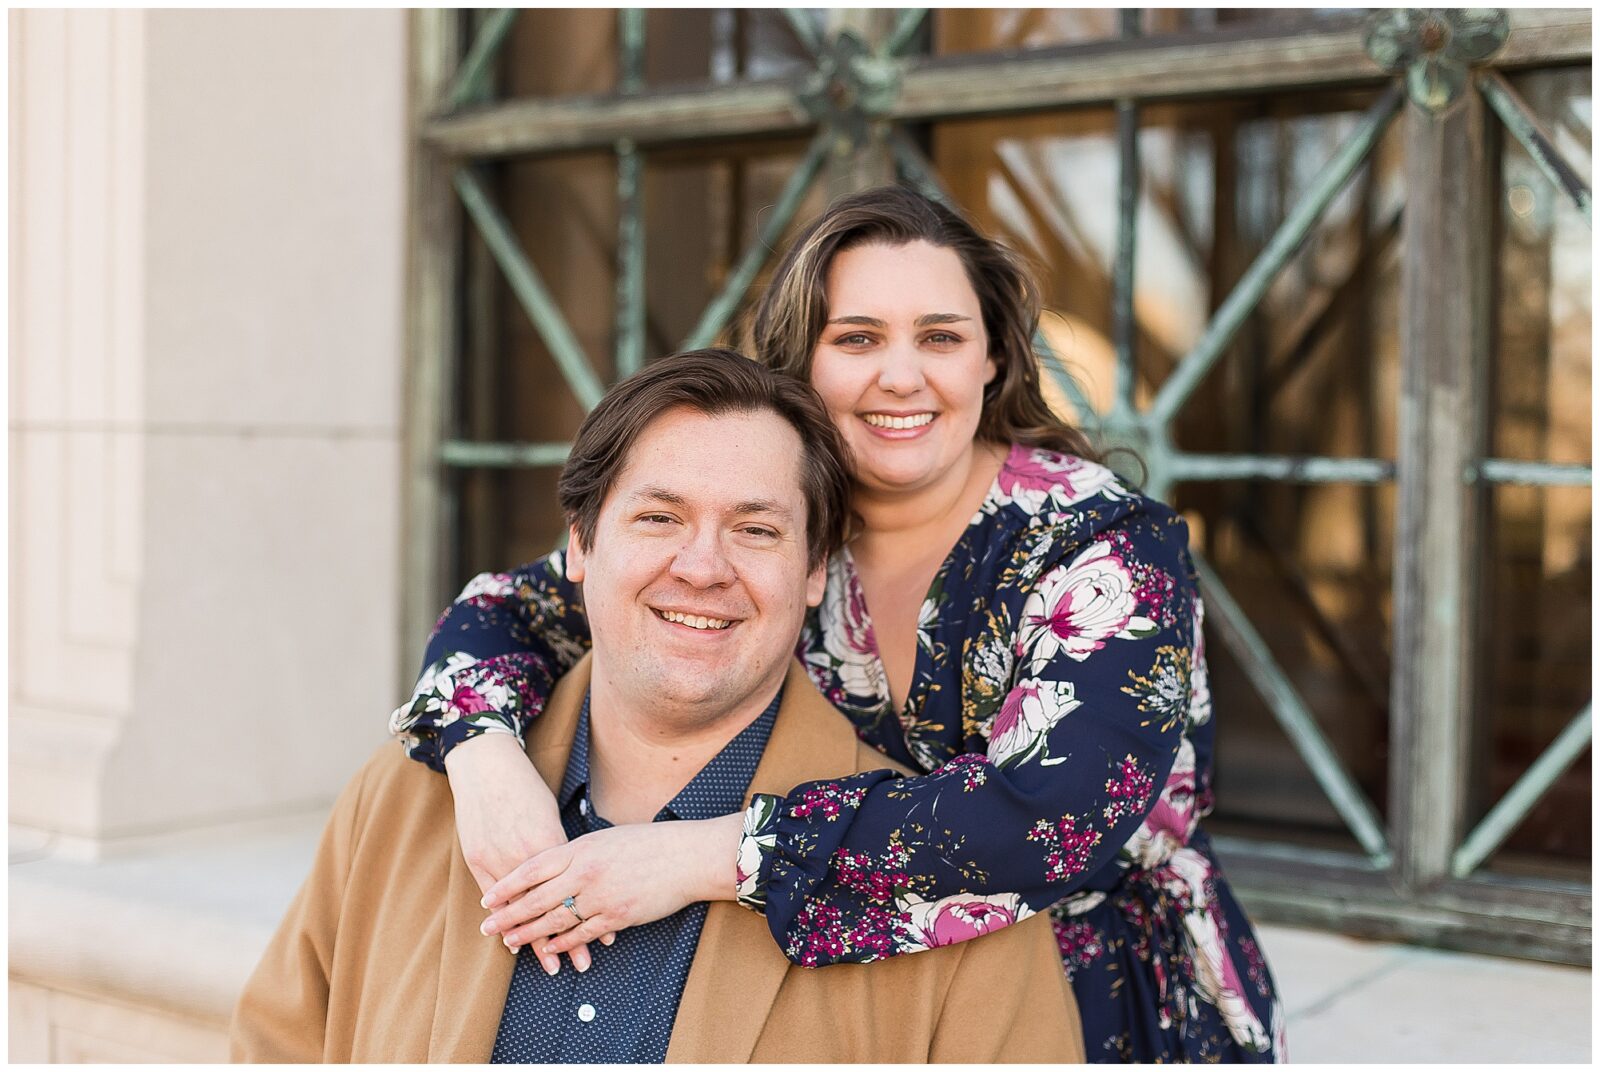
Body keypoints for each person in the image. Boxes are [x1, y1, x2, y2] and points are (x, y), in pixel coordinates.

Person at [392, 187, 1287, 1063]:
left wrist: (693, 858)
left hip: (1105, 997)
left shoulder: (1104, 549)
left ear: (992, 359)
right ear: (802, 362)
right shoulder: (770, 526)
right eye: (856, 338)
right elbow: (510, 609)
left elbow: (1044, 815)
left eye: (940, 337)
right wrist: (483, 756)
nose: (901, 375)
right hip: (866, 1005)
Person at [232, 350, 1084, 1063]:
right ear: (579, 544)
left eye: (756, 530)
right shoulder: (403, 802)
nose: (702, 567)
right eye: (658, 516)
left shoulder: (956, 898)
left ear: (817, 568)